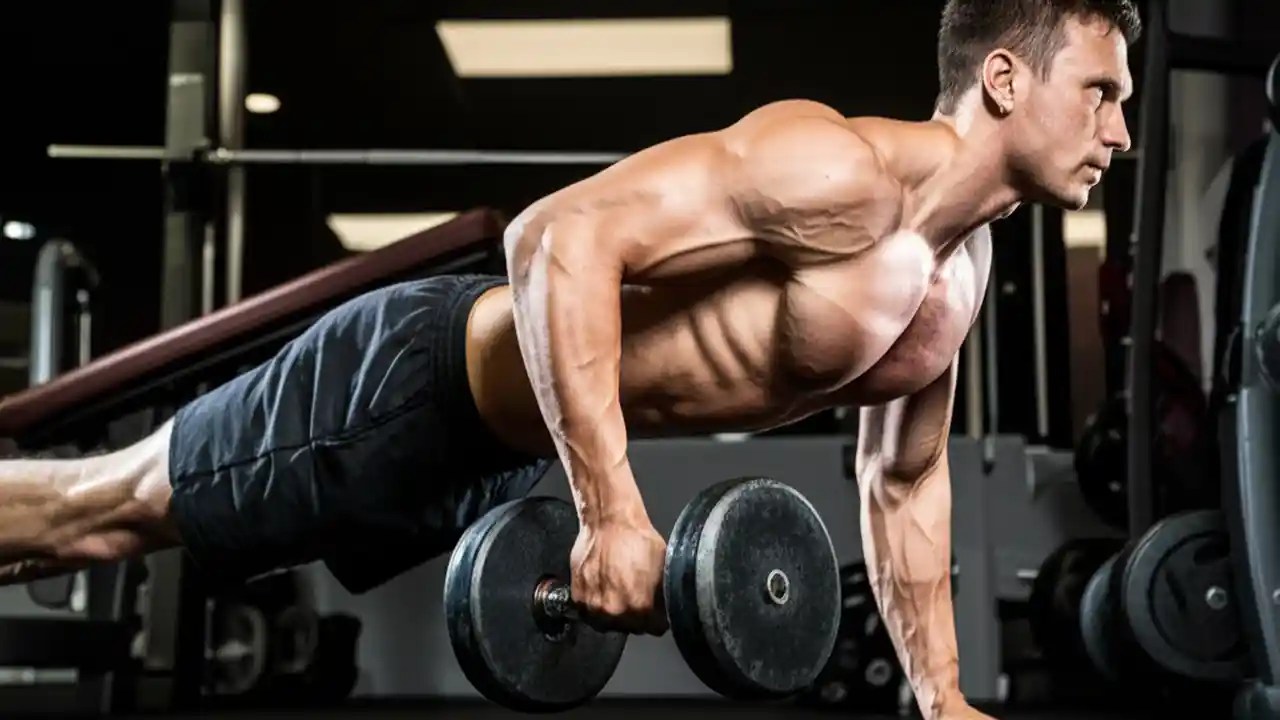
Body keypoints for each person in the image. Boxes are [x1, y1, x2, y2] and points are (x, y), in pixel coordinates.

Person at [0, 0, 1137, 717]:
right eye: (1098, 93)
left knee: (121, 532)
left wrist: (939, 695)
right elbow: (559, 236)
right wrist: (612, 514)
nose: (1118, 132)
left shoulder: (960, 276)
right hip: (414, 382)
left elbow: (902, 480)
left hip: (488, 459)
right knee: (96, 516)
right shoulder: (838, 172)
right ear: (1002, 80)